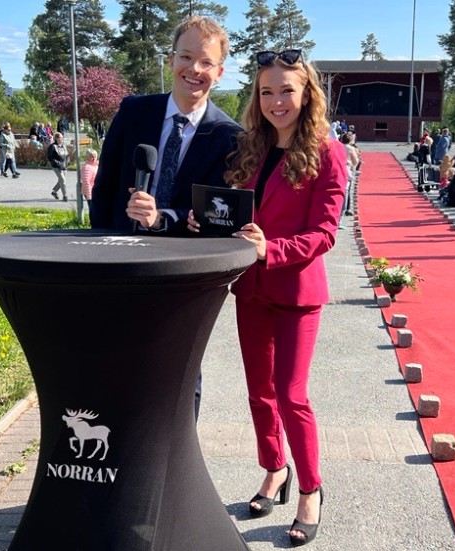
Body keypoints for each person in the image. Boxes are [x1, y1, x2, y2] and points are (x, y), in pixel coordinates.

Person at [188, 48, 344, 547]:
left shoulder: (327, 152)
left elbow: (324, 233)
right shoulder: (250, 147)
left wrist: (269, 249)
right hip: (251, 291)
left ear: (307, 94)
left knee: (292, 395)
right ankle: (274, 469)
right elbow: (235, 213)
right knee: (259, 393)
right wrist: (207, 223)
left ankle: (311, 491)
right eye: (267, 91)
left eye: (287, 90)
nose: (277, 100)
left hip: (296, 292)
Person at [90, 16, 241, 421]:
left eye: (206, 63)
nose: (195, 70)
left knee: (179, 372)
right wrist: (96, 255)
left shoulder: (230, 137)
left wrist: (161, 218)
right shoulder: (133, 112)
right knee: (117, 362)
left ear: (219, 72)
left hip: (183, 273)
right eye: (187, 57)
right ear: (171, 58)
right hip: (119, 262)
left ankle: (176, 455)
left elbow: (212, 215)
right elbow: (103, 191)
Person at [341, 131, 360, 218]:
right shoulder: (350, 148)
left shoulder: (337, 146)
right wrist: (354, 168)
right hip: (347, 169)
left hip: (337, 169)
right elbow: (356, 161)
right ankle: (347, 209)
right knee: (347, 190)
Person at [47, 132, 68, 201]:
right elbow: (50, 157)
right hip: (56, 166)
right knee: (63, 180)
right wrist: (57, 163)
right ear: (56, 138)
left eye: (62, 137)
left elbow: (67, 155)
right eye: (60, 137)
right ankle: (65, 196)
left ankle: (54, 192)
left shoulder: (63, 146)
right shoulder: (52, 146)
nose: (61, 139)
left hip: (64, 165)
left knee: (61, 181)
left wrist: (68, 162)